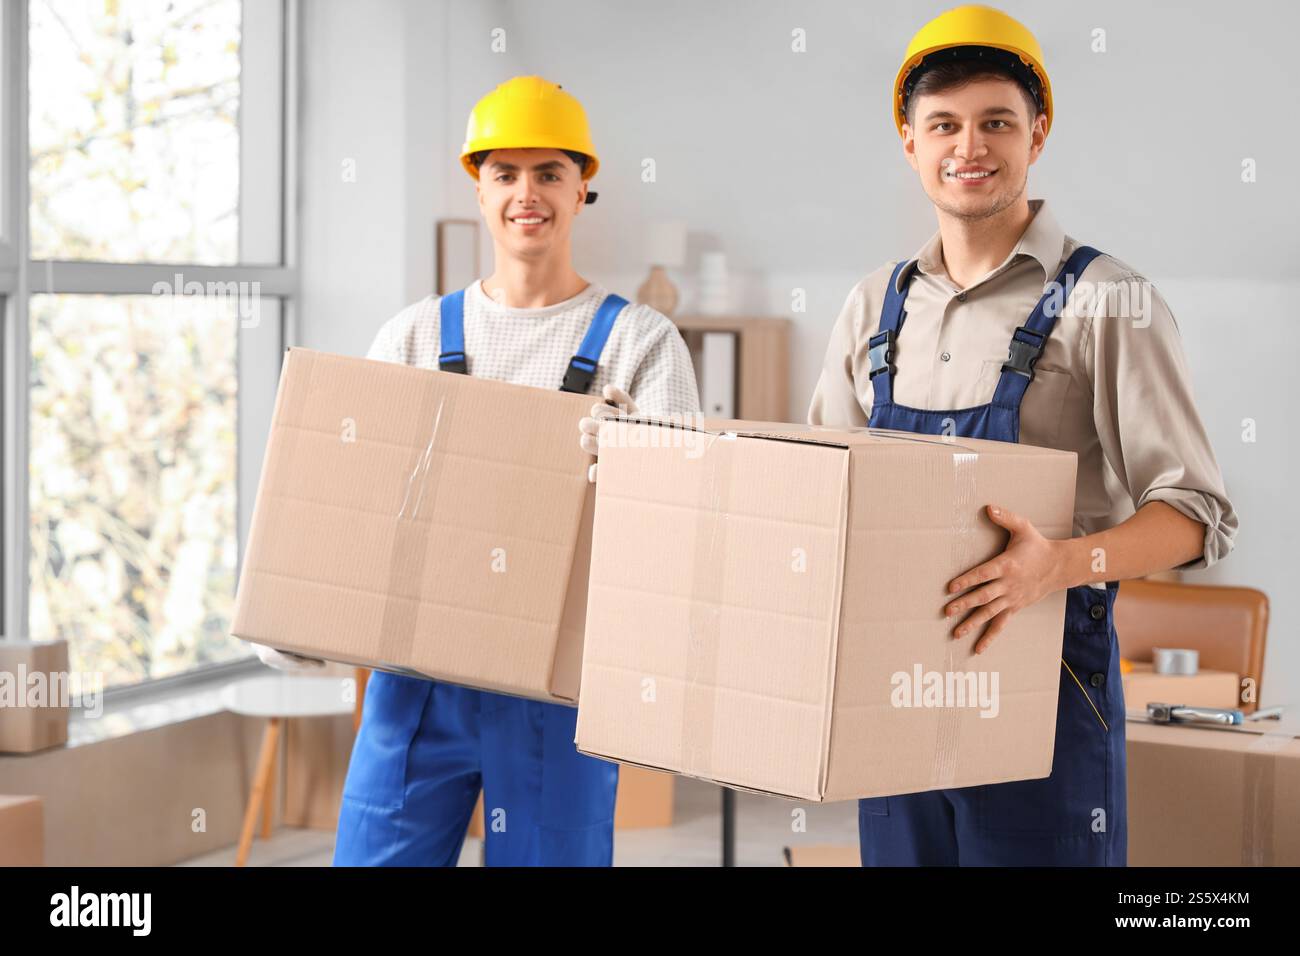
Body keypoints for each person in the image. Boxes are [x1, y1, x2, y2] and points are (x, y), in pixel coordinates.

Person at [808, 5, 1237, 866]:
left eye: (996, 121)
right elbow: (821, 491)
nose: (970, 146)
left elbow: (1197, 517)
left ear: (1037, 135)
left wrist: (1061, 565)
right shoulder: (872, 306)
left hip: (1046, 686)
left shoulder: (1110, 300)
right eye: (944, 125)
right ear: (910, 141)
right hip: (891, 693)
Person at [257, 75, 699, 866]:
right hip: (415, 678)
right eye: (505, 174)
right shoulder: (415, 336)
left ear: (583, 187)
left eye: (550, 173)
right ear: (479, 188)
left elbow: (680, 527)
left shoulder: (641, 343)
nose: (526, 194)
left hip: (558, 688)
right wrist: (295, 614)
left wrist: (636, 466)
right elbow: (349, 496)